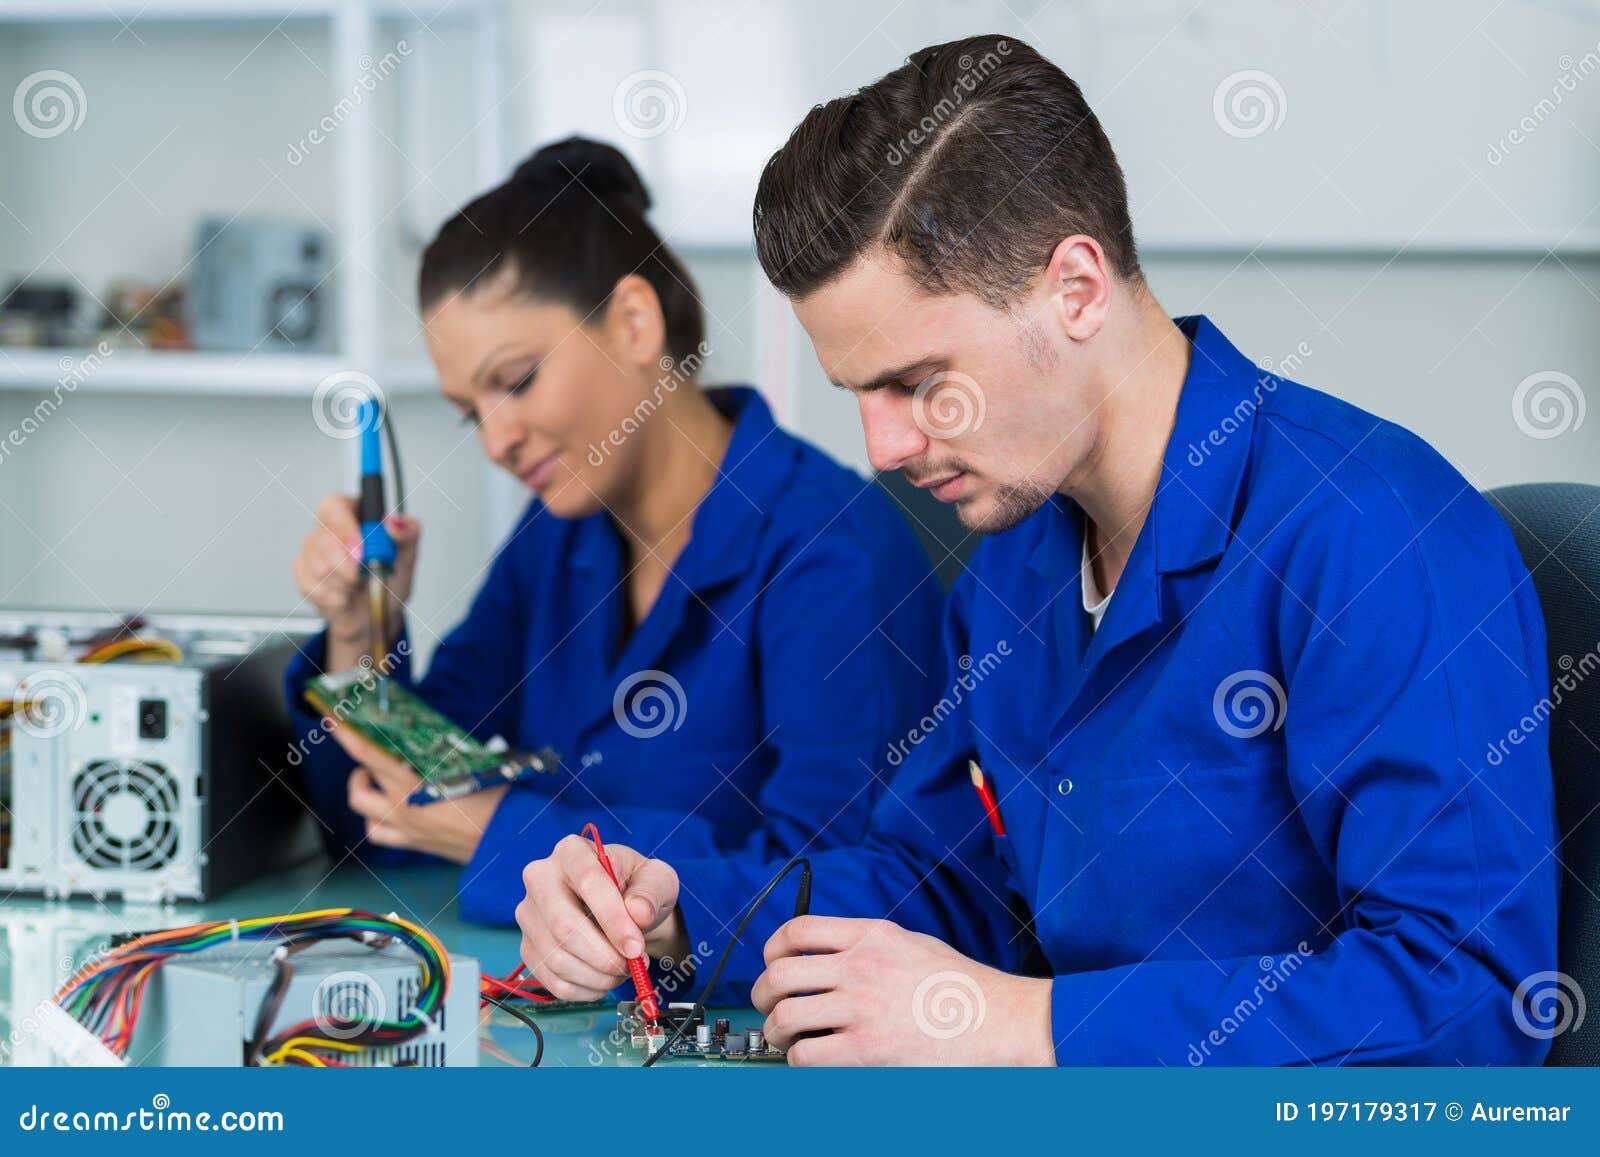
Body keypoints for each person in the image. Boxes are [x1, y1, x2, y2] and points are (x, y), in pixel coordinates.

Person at [513, 38, 1560, 1065]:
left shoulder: (1372, 534)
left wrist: (1028, 1028)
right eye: (858, 395)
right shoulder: (1018, 551)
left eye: (919, 381)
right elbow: (936, 881)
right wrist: (676, 913)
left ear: (1075, 288)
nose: (883, 447)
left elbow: (1467, 995)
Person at [283, 137, 943, 926]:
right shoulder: (556, 538)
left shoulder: (833, 555)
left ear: (634, 322)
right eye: (471, 414)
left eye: (517, 381)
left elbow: (835, 888)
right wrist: (359, 631)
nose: (497, 441)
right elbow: (387, 814)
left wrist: (500, 831)